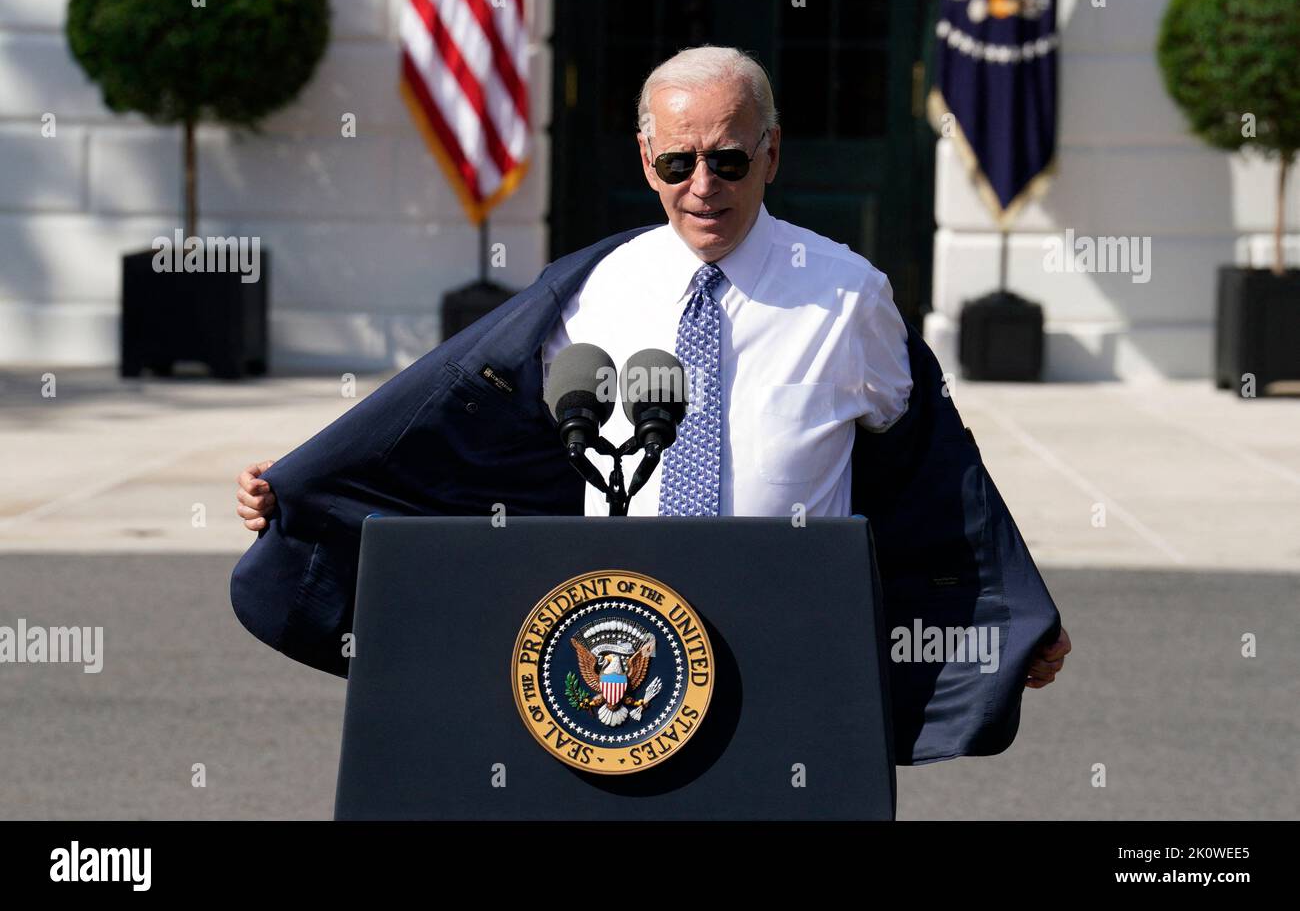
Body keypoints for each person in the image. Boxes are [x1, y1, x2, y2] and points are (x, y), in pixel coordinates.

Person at [231, 47, 1069, 763]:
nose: (703, 185)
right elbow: (446, 433)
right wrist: (304, 484)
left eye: (730, 159)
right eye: (678, 162)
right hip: (617, 651)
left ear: (771, 154)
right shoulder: (590, 293)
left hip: (793, 644)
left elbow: (934, 468)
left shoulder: (850, 299)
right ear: (646, 161)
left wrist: (1014, 616)